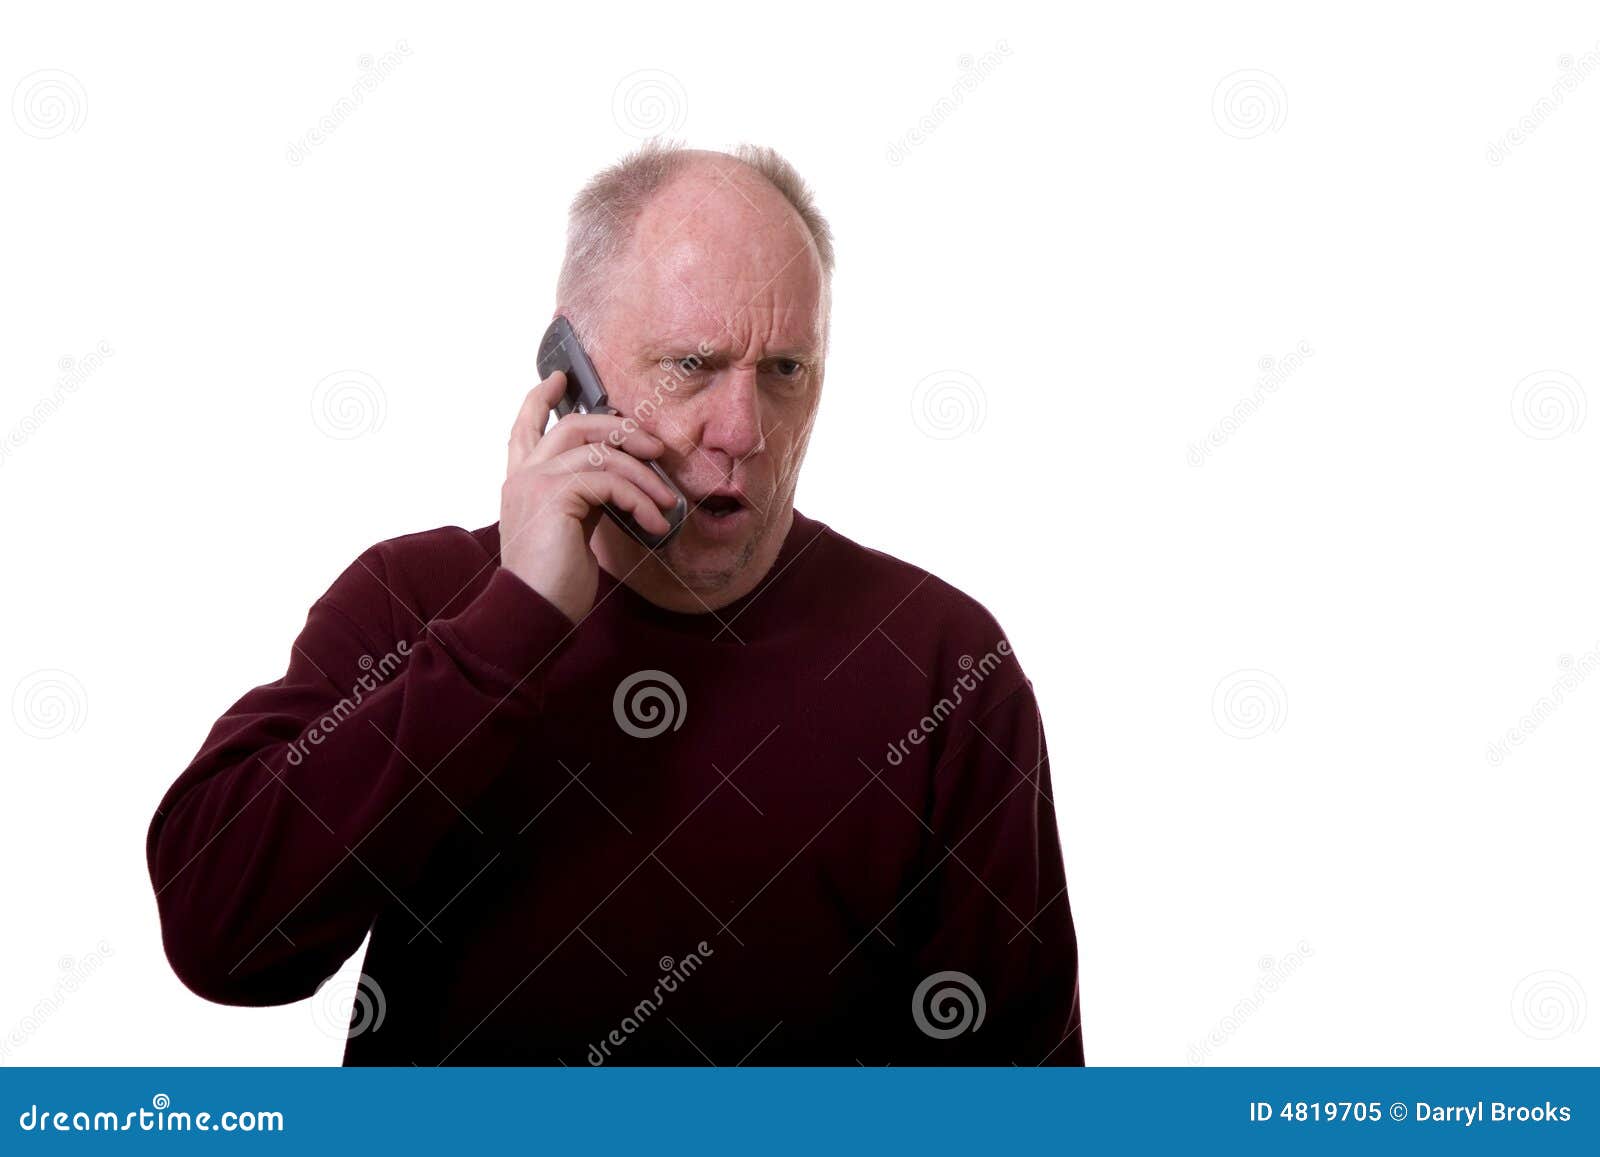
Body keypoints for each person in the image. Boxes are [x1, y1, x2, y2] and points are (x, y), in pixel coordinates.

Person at [146, 140, 1085, 1065]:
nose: (745, 431)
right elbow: (220, 937)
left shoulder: (941, 662)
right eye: (691, 365)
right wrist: (512, 625)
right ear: (570, 372)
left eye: (786, 372)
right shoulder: (417, 601)